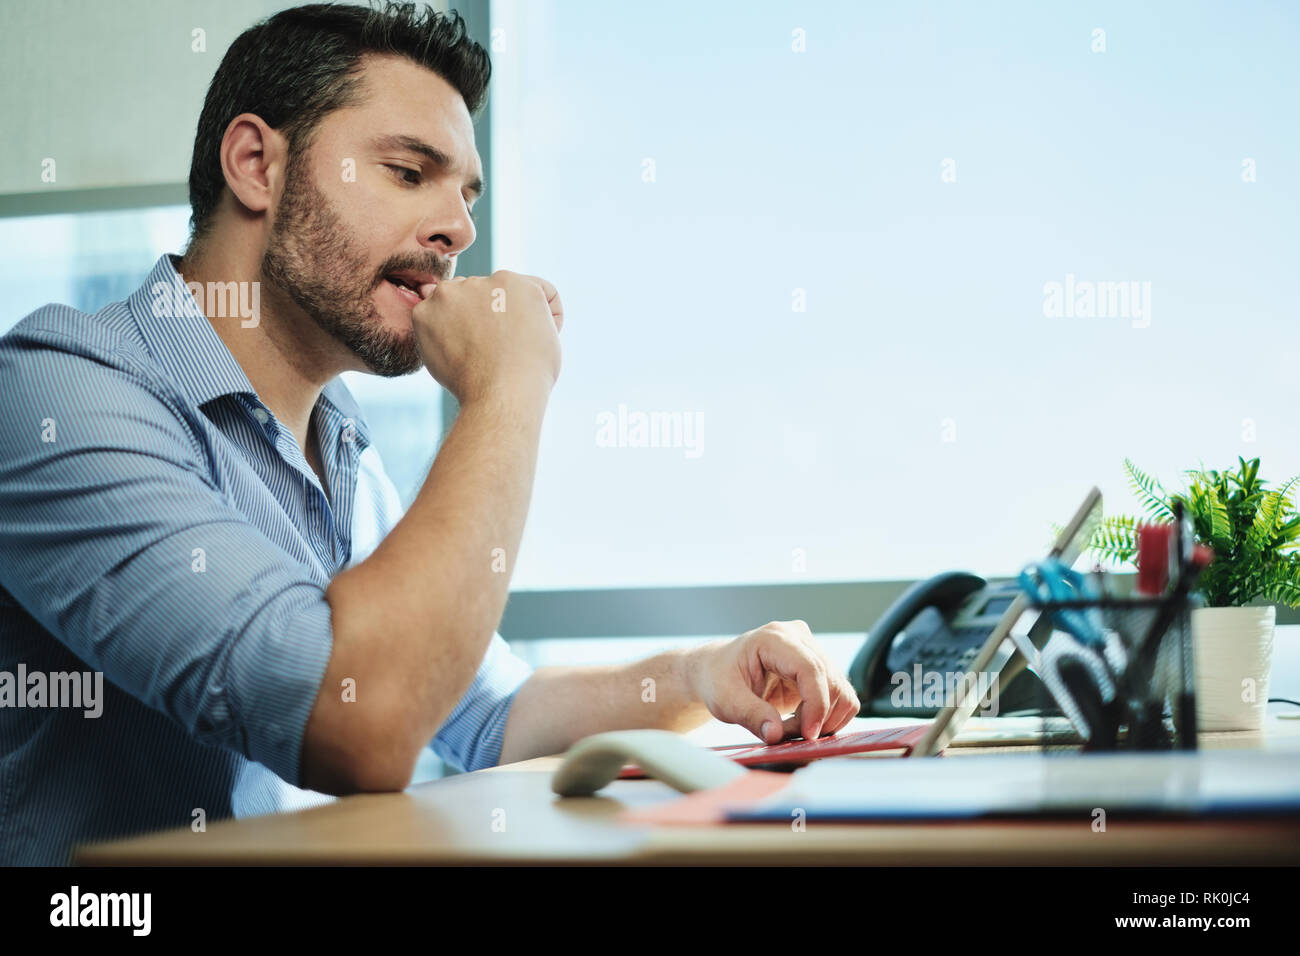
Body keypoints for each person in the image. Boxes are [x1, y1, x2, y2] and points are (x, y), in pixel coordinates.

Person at [0, 2, 858, 866]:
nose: (459, 231)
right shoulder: (57, 390)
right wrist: (508, 388)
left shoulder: (340, 446)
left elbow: (495, 713)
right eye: (410, 173)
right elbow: (360, 719)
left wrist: (698, 676)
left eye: (465, 194)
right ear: (256, 165)